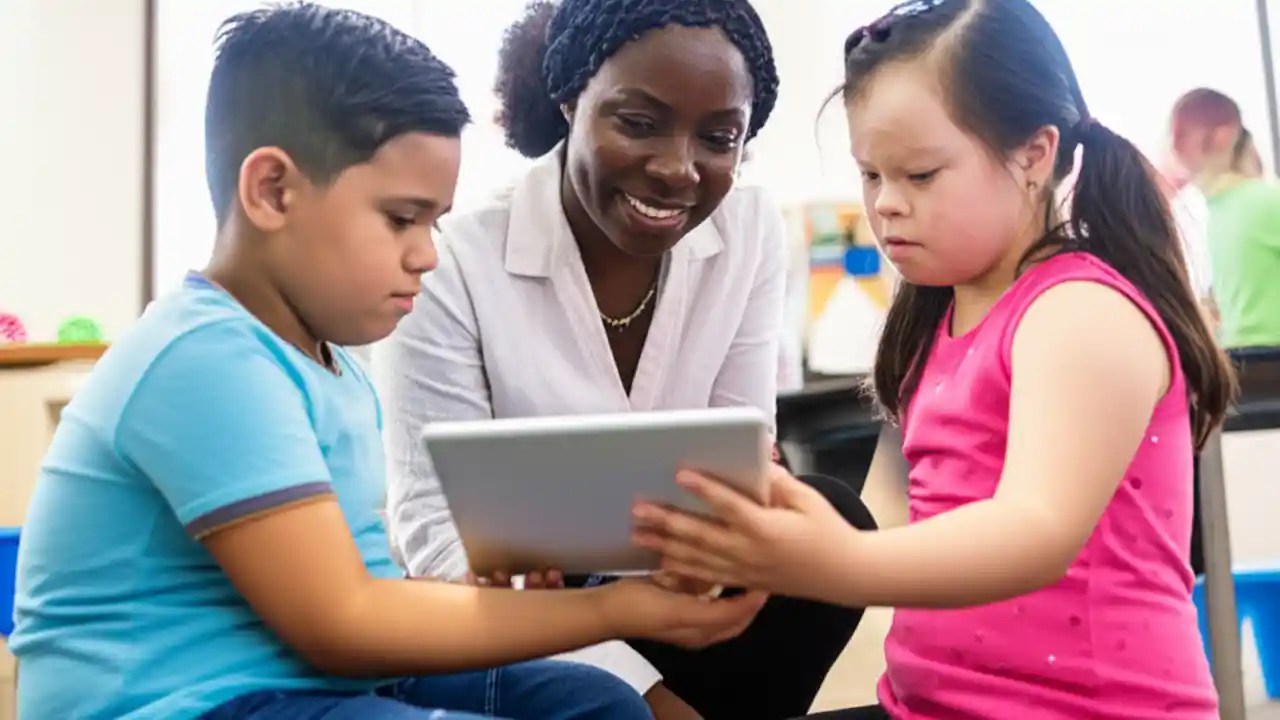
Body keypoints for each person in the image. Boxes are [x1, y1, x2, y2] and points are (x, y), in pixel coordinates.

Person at [8, 5, 769, 719]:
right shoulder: (202, 357)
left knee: (595, 703)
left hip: (310, 682)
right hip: (190, 702)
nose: (428, 255)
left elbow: (370, 591)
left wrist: (493, 590)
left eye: (435, 222)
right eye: (402, 219)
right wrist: (613, 607)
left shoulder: (326, 362)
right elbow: (340, 621)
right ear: (273, 190)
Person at [631, 1, 1238, 718]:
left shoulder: (1081, 311)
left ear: (1034, 155)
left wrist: (831, 560)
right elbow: (928, 528)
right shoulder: (942, 312)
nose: (886, 205)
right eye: (871, 175)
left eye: (919, 175)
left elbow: (1035, 530)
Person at [378, 1, 873, 718]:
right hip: (523, 609)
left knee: (834, 521)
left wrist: (700, 566)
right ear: (570, 98)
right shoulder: (454, 258)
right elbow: (432, 531)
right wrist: (636, 683)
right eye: (638, 123)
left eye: (719, 137)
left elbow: (743, 452)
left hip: (682, 578)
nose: (679, 170)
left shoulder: (749, 229)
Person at [1168, 88, 1280, 350]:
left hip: (1266, 365)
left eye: (1182, 135)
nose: (1173, 146)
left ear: (1223, 136)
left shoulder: (1265, 201)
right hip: (1239, 364)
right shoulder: (1214, 211)